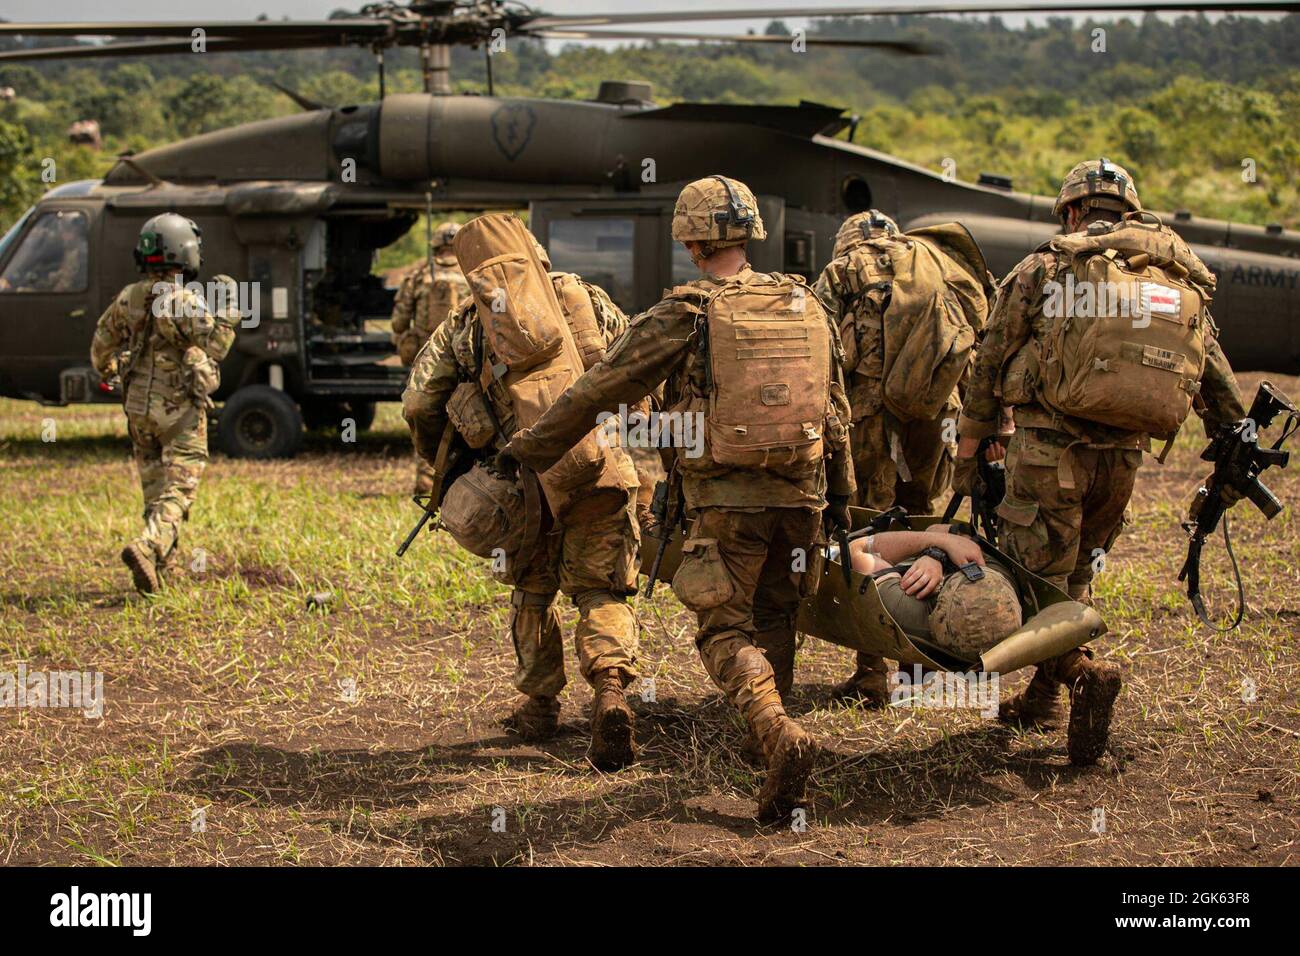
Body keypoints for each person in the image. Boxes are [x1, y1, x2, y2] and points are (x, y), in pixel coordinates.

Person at [502, 176, 856, 823]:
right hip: (802, 496)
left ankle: (777, 732)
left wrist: (530, 448)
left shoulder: (686, 311)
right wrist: (842, 501)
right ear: (750, 233)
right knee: (776, 613)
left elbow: (600, 389)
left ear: (692, 242)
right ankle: (760, 741)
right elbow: (837, 412)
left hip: (727, 501)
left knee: (724, 627)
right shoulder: (804, 303)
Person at [954, 158, 1246, 763]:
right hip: (1123, 459)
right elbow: (1212, 369)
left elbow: (991, 355)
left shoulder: (1048, 266)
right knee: (1079, 572)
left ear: (1070, 210)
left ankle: (1082, 671)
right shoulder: (1172, 276)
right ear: (1130, 212)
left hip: (1048, 452)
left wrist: (974, 437)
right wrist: (1231, 442)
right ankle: (1044, 699)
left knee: (1033, 581)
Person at [402, 223, 642, 771]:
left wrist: (445, 463)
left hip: (518, 481)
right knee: (601, 588)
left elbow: (419, 403)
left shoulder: (466, 322)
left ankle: (539, 707)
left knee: (533, 591)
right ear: (537, 254)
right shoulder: (585, 296)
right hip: (596, 467)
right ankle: (610, 691)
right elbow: (637, 368)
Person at [814, 209, 992, 707]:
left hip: (869, 416)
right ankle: (918, 669)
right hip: (936, 415)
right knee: (922, 525)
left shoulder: (843, 270)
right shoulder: (934, 264)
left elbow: (819, 343)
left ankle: (870, 671)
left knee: (872, 530)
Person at [90, 214, 239, 594]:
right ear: (186, 252)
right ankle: (149, 545)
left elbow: (100, 347)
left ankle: (162, 569)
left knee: (154, 487)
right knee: (181, 486)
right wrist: (230, 307)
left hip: (137, 409)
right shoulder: (182, 300)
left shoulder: (130, 296)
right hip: (177, 409)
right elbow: (218, 346)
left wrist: (110, 370)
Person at [392, 220, 471, 495]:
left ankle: (426, 482)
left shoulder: (419, 276)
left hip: (427, 361)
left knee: (425, 416)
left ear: (435, 246)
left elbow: (399, 322)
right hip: (465, 359)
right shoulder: (474, 274)